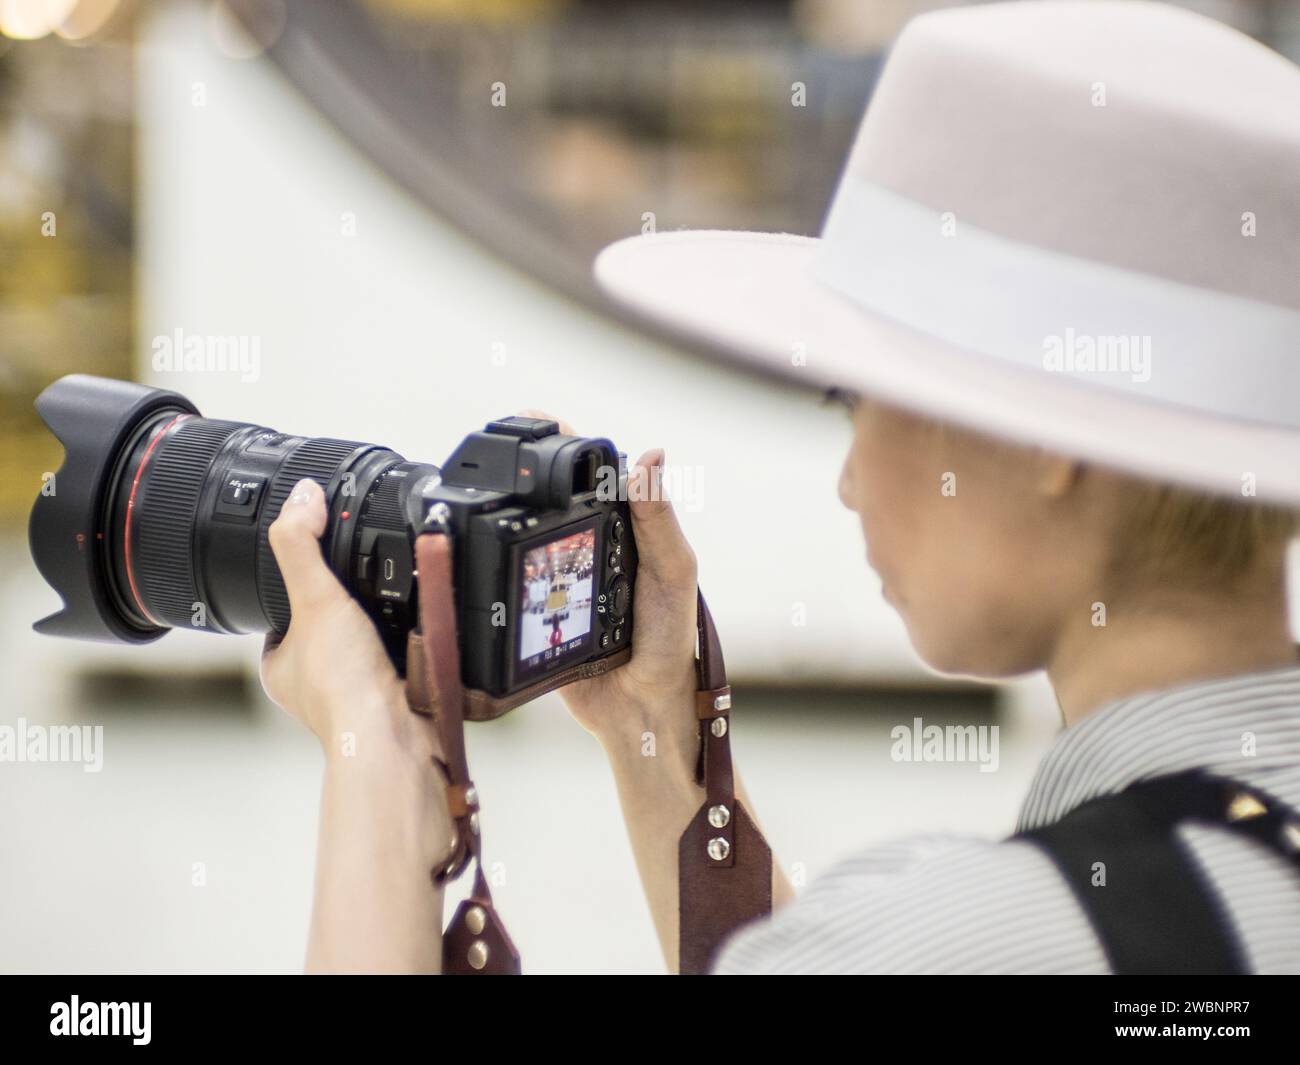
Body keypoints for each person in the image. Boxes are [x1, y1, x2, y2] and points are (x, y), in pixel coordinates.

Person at [259, 1, 1300, 973]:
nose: (849, 482)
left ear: (1044, 443)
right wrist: (655, 742)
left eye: (855, 396)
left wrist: (377, 761)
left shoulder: (942, 938)